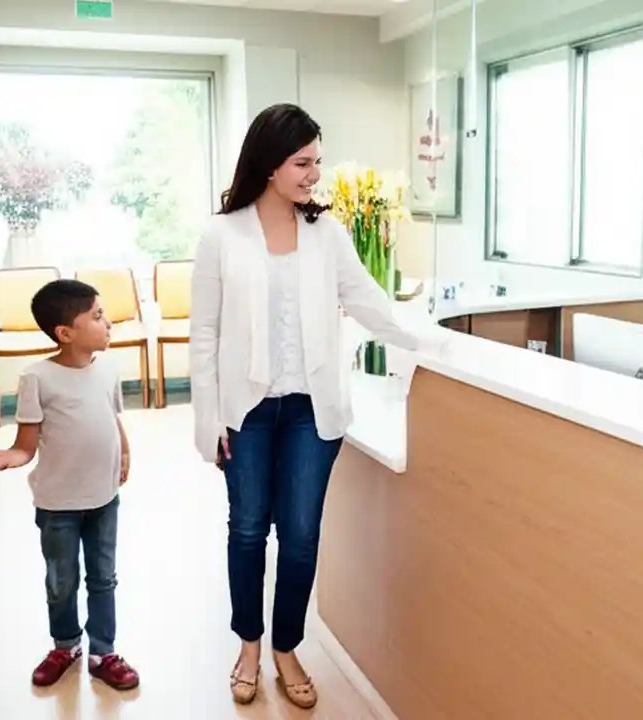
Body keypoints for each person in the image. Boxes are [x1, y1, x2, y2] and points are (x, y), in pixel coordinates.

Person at [190, 103, 429, 708]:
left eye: (317, 161)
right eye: (303, 162)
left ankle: (286, 647)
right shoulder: (221, 234)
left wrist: (427, 340)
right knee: (247, 530)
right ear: (269, 165)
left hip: (311, 410)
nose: (313, 174)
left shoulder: (328, 233)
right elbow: (205, 335)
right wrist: (207, 417)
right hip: (244, 410)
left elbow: (367, 300)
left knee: (299, 536)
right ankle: (248, 644)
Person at [0, 279, 140, 691]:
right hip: (57, 505)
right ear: (65, 333)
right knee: (61, 580)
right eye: (96, 316)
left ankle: (102, 652)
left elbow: (112, 419)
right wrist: (9, 456)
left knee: (103, 577)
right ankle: (66, 645)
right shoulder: (37, 378)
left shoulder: (108, 369)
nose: (108, 322)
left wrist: (124, 453)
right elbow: (26, 445)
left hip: (104, 499)